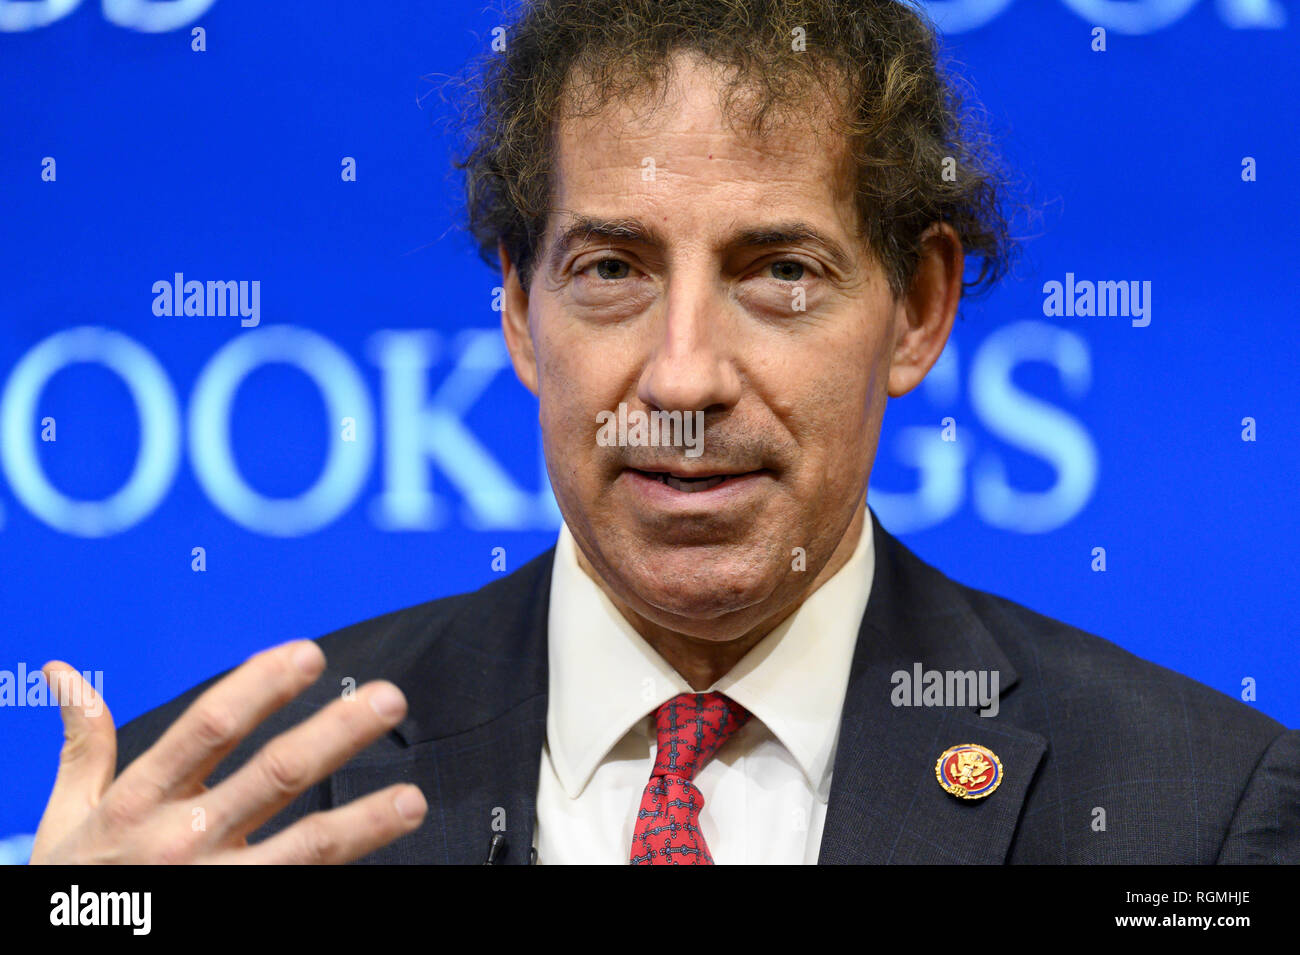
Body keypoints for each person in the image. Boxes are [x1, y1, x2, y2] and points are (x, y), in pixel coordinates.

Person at [31, 0, 1298, 865]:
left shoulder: (1187, 811)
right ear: (521, 317)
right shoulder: (212, 821)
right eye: (609, 269)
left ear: (916, 310)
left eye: (779, 271)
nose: (684, 374)